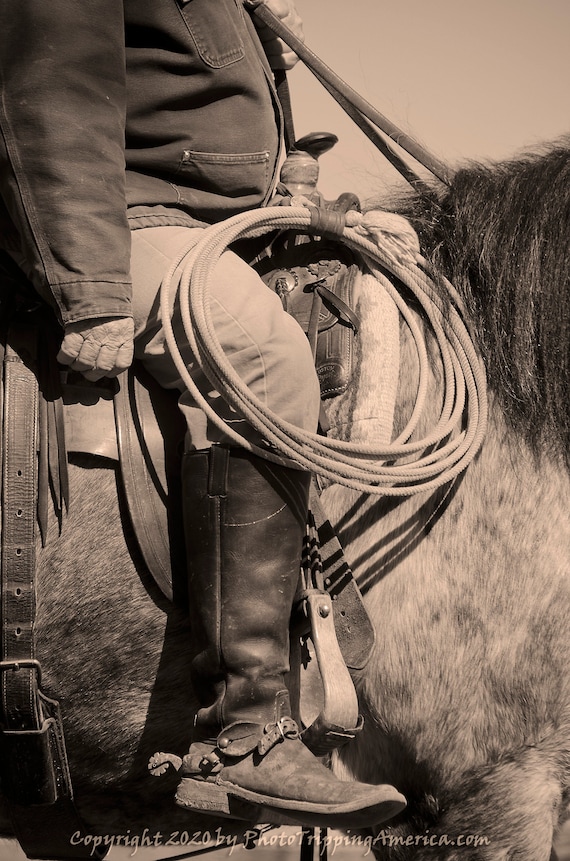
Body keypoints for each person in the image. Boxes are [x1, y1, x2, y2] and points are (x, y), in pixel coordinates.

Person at [0, 0, 405, 828]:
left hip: (209, 225)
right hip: (122, 220)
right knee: (263, 356)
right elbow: (49, 86)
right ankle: (249, 728)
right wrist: (91, 289)